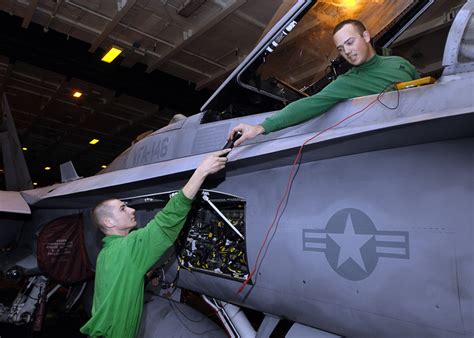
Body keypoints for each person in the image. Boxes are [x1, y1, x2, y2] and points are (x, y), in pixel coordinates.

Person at [80, 149, 231, 338]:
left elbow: (118, 283)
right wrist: (201, 172)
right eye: (123, 208)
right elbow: (166, 222)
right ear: (110, 222)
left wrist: (143, 277)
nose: (132, 210)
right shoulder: (130, 247)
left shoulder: (107, 252)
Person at [228, 19, 419, 146]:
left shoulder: (399, 63)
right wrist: (261, 127)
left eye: (350, 42)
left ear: (366, 36)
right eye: (341, 49)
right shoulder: (346, 82)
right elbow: (309, 104)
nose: (347, 52)